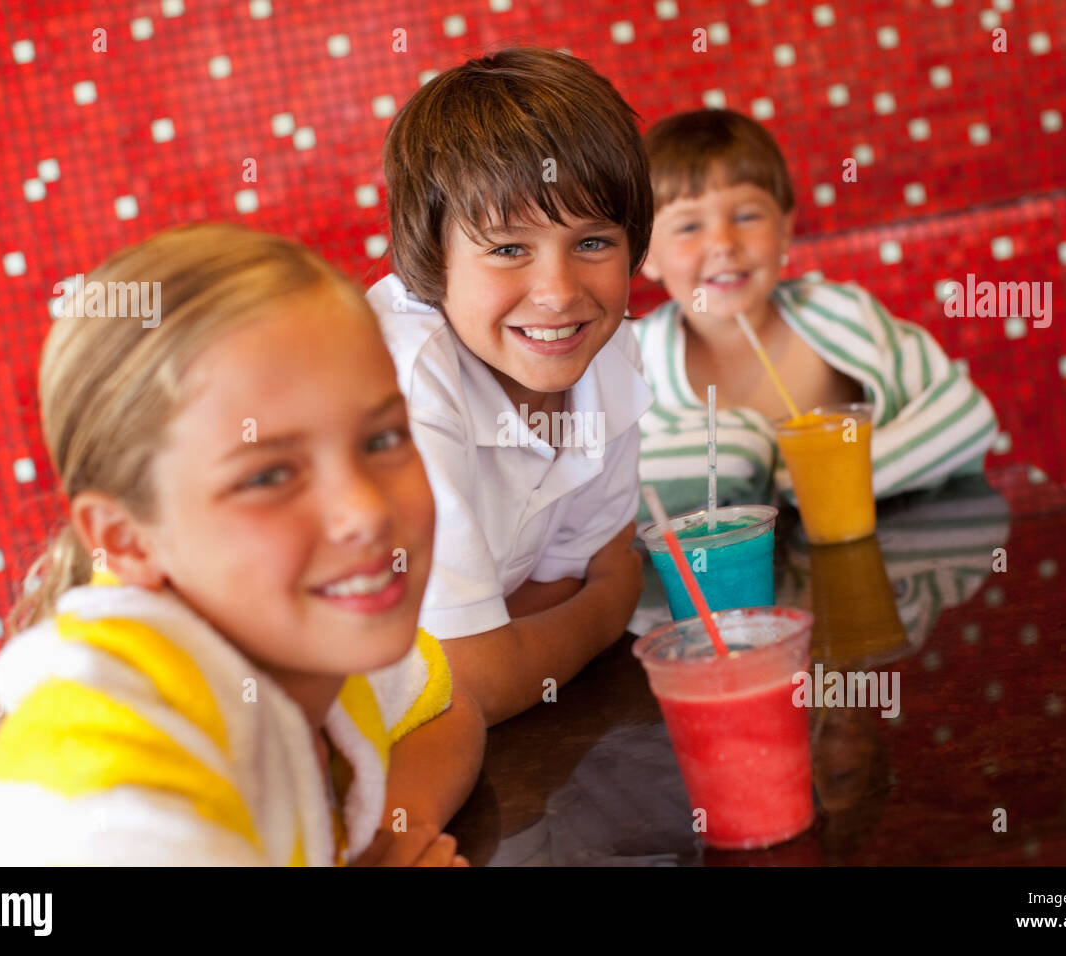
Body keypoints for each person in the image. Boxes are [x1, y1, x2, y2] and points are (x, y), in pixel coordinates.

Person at [0, 223, 484, 865]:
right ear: (126, 540)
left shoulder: (305, 626)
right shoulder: (101, 808)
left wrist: (391, 833)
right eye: (268, 476)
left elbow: (446, 706)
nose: (365, 511)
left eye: (382, 439)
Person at [367, 48, 651, 727]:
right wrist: (610, 606)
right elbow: (473, 682)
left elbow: (558, 585)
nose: (558, 294)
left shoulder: (607, 350)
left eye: (592, 243)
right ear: (430, 259)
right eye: (507, 249)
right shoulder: (406, 380)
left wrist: (509, 641)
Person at [633, 109, 999, 518]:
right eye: (688, 227)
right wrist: (742, 451)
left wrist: (829, 479)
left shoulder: (843, 316)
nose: (723, 243)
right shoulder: (633, 364)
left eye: (747, 216)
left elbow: (966, 417)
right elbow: (605, 493)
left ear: (785, 229)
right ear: (645, 253)